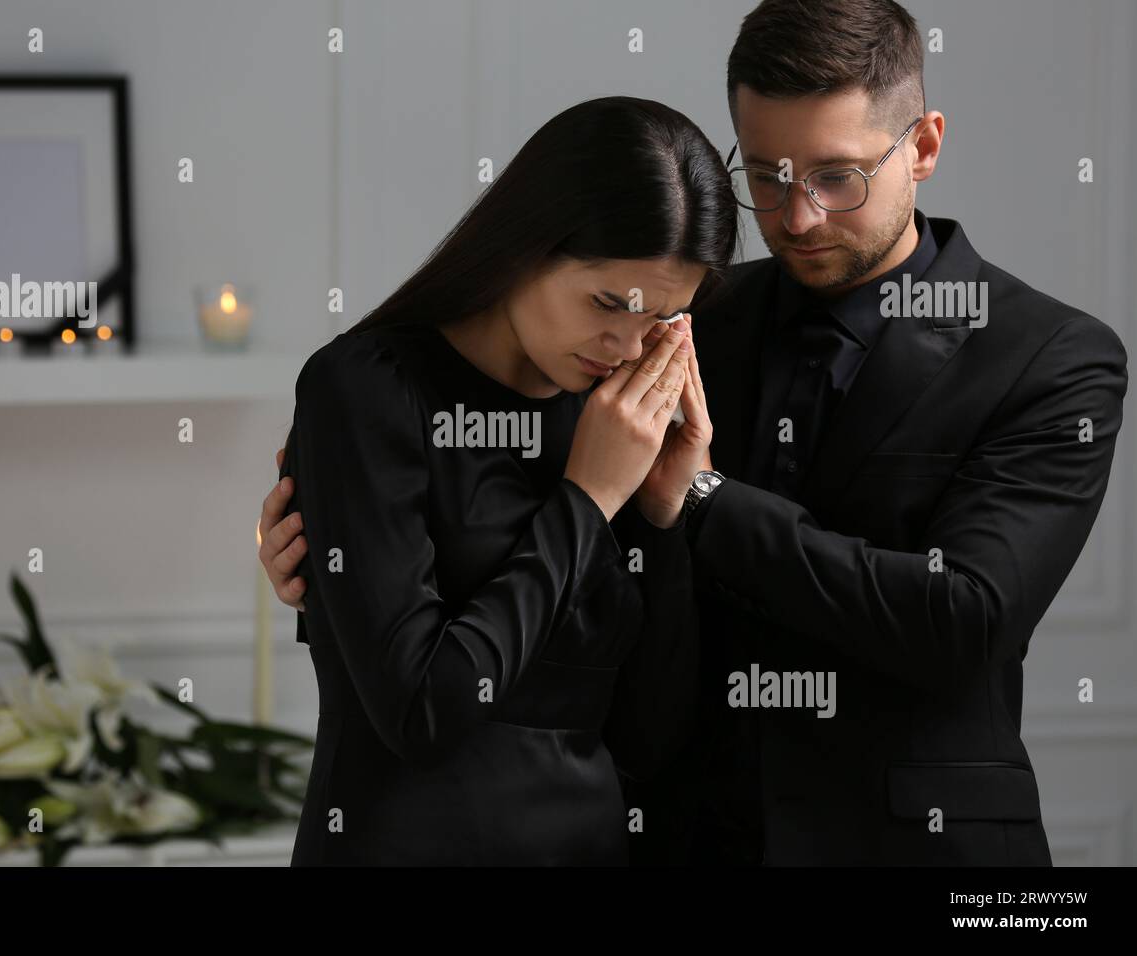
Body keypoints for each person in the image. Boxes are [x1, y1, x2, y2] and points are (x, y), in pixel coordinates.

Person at [264, 0, 1128, 866]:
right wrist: (344, 575)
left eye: (837, 178)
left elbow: (965, 622)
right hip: (686, 833)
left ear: (925, 147)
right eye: (767, 176)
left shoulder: (1050, 357)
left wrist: (700, 498)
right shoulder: (674, 324)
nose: (796, 218)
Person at [262, 95, 738, 865]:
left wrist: (662, 515)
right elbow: (422, 712)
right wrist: (586, 501)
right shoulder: (367, 389)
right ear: (526, 245)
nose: (623, 345)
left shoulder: (621, 417)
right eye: (605, 303)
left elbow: (655, 735)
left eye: (659, 321)